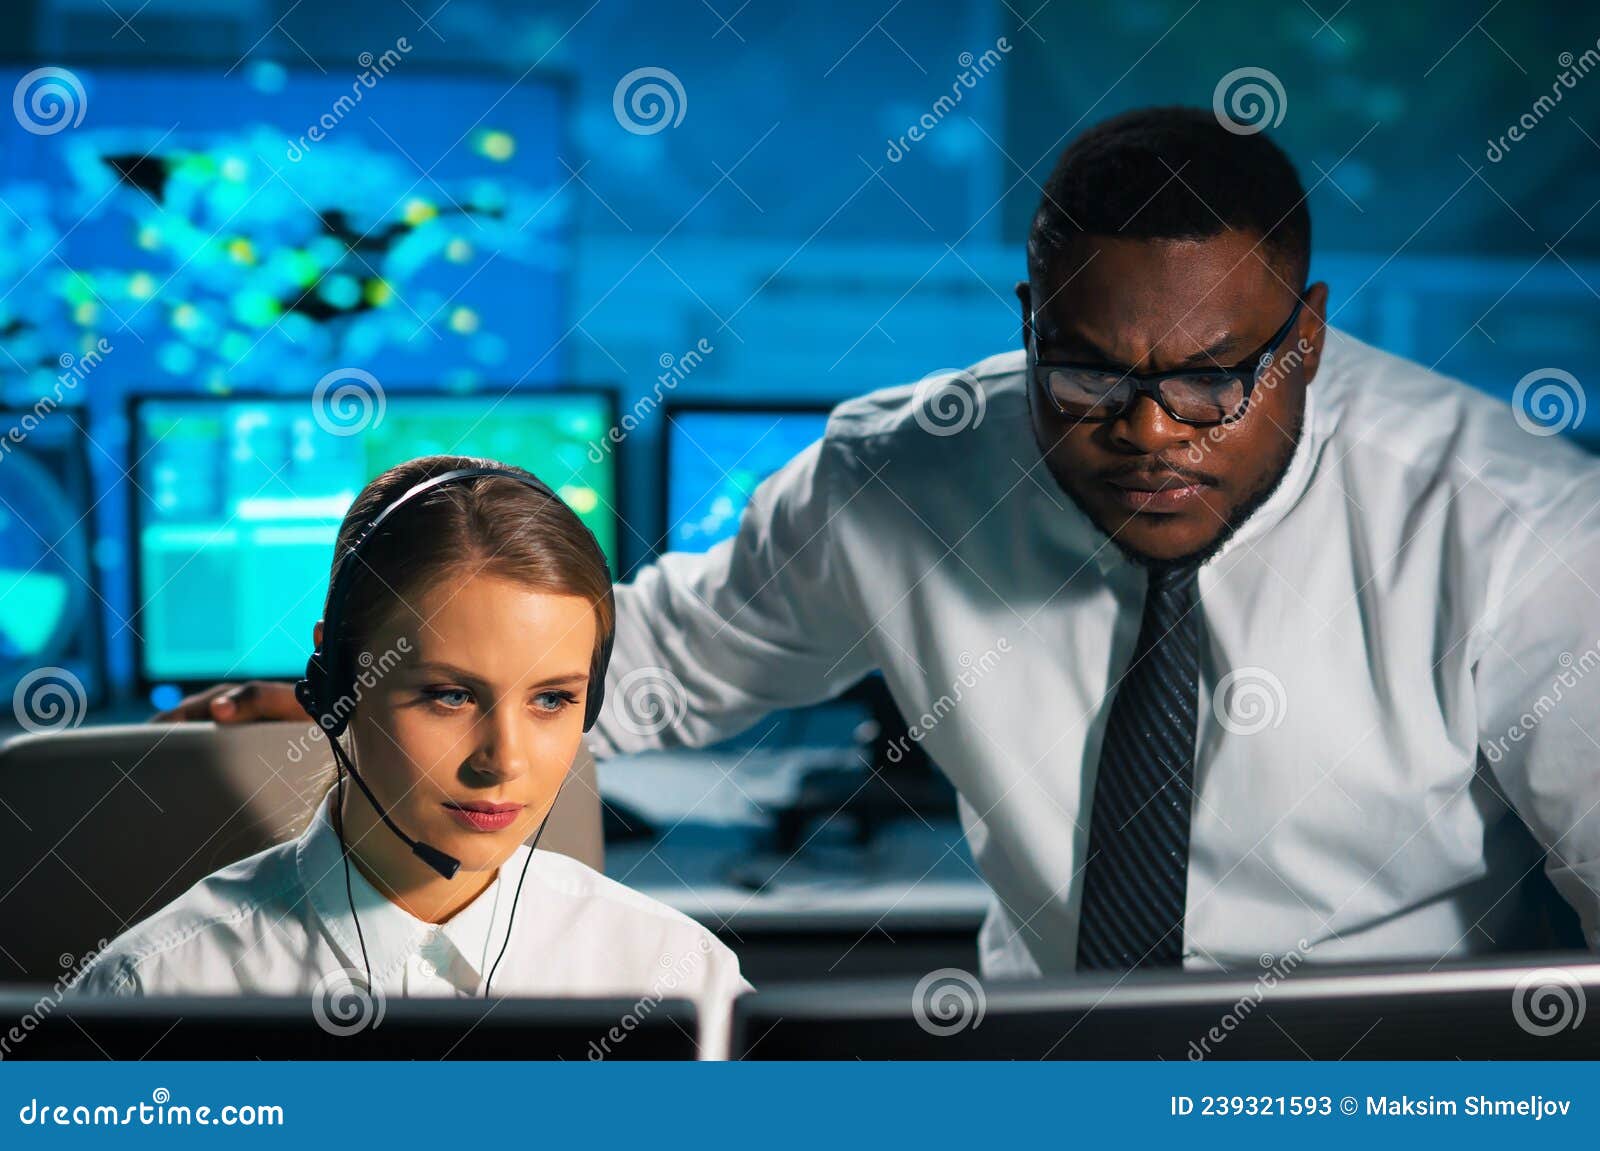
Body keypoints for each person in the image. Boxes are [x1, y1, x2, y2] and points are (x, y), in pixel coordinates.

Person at [157, 106, 1600, 979]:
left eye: (1216, 377)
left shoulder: (1515, 532)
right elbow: (651, 664)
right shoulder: (896, 479)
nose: (1154, 431)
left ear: (1309, 336)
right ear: (1028, 320)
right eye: (1094, 373)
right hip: (1045, 1077)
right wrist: (386, 687)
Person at [81, 455, 750, 1054]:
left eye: (550, 699)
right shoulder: (157, 991)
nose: (504, 760)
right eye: (450, 695)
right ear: (337, 680)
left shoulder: (679, 979)